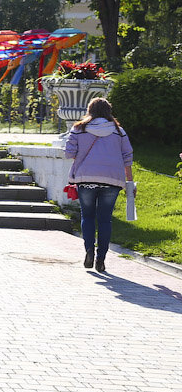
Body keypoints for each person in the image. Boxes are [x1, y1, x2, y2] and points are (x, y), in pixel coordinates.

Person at [64, 97, 134, 273]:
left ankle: (89, 250)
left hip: (86, 179)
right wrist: (130, 181)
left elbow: (69, 152)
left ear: (90, 111)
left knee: (87, 216)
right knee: (105, 219)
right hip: (112, 180)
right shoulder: (119, 131)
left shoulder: (79, 128)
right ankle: (101, 258)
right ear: (109, 111)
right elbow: (128, 157)